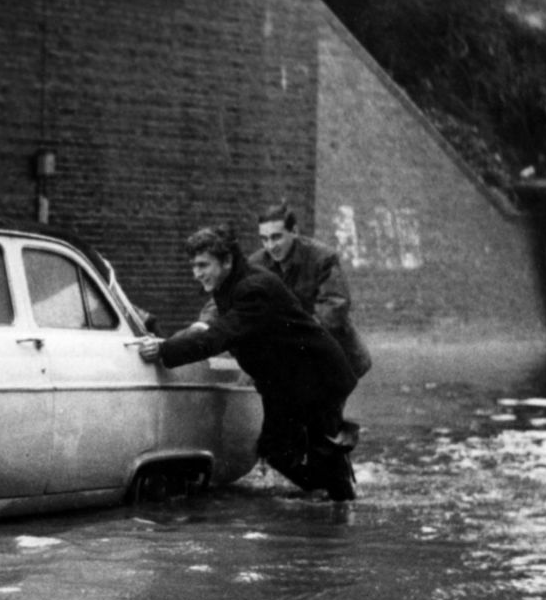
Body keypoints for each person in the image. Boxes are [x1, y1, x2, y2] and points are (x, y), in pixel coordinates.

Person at [138, 225, 358, 502]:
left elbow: (220, 336)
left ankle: (341, 505)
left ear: (227, 261)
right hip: (285, 381)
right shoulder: (232, 284)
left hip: (317, 379)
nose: (196, 274)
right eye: (193, 266)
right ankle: (326, 494)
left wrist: (164, 349)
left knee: (318, 450)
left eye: (203, 265)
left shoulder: (254, 288)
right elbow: (220, 328)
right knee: (275, 450)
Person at [251, 202, 372, 380]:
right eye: (264, 239)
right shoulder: (257, 263)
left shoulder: (322, 258)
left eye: (276, 237)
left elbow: (334, 308)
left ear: (294, 231)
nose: (270, 246)